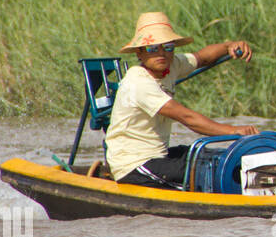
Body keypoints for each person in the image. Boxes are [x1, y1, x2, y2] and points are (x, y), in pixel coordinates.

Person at [105, 12, 258, 188]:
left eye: (167, 47)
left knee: (213, 157)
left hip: (158, 157)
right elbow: (187, 118)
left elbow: (203, 57)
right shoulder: (138, 83)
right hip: (133, 166)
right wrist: (234, 131)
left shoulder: (171, 64)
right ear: (139, 53)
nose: (161, 53)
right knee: (207, 171)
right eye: (152, 48)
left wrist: (228, 46)